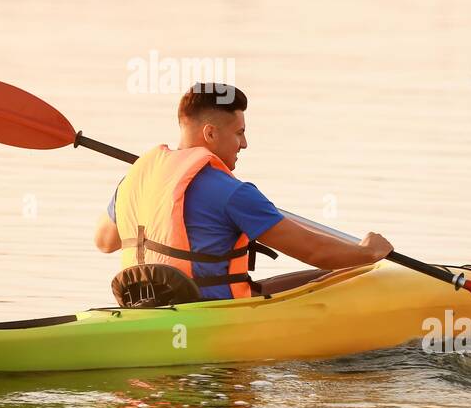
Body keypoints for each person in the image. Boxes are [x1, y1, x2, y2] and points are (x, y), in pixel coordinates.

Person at [94, 82, 393, 306]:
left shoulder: (133, 180)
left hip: (143, 306)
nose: (245, 143)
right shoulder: (233, 193)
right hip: (213, 312)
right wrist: (367, 253)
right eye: (239, 132)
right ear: (210, 133)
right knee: (356, 273)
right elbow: (313, 251)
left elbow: (105, 242)